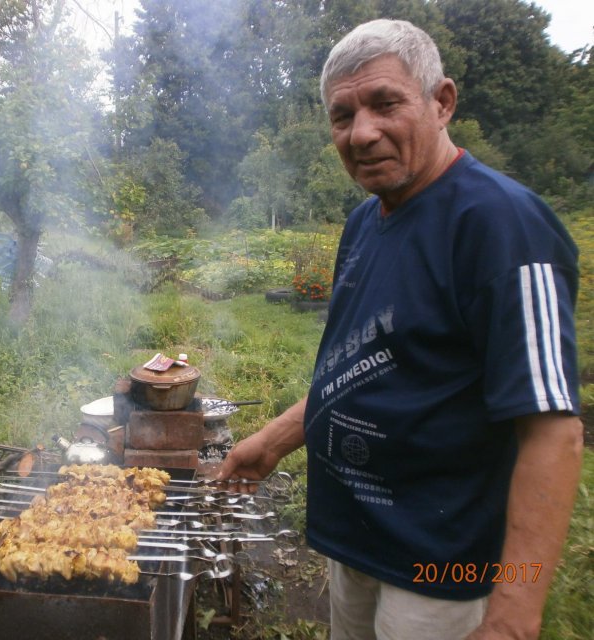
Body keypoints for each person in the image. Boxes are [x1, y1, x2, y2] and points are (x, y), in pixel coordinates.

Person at [217, 19, 583, 640]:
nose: (362, 133)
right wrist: (273, 440)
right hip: (357, 540)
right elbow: (362, 367)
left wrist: (515, 615)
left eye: (386, 103)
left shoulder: (503, 225)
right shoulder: (365, 223)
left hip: (439, 562)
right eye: (343, 115)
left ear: (441, 103)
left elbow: (554, 431)